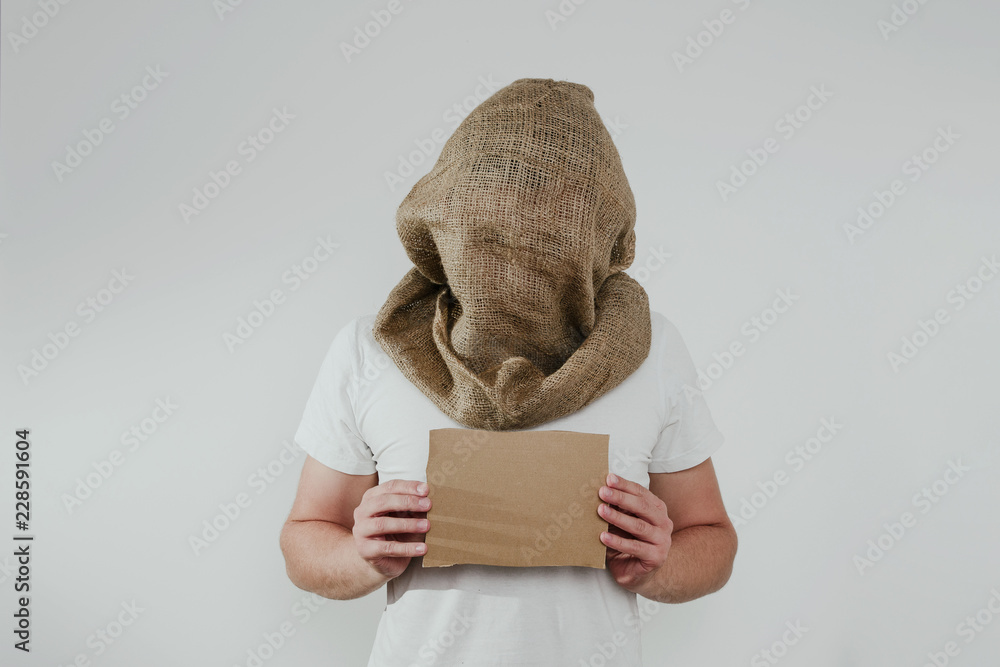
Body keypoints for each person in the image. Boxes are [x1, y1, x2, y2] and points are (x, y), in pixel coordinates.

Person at [280, 78, 737, 666]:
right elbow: (305, 538)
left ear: (597, 227)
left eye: (551, 219)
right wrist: (360, 555)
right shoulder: (374, 349)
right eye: (496, 218)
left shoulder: (650, 348)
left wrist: (660, 562)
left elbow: (714, 542)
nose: (521, 239)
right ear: (452, 215)